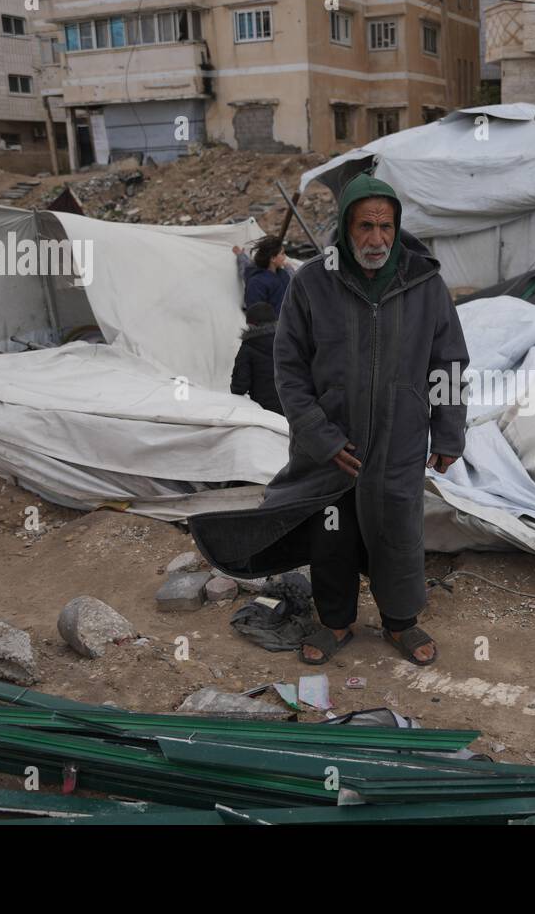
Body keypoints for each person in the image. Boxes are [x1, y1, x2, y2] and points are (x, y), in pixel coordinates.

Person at [188, 172, 470, 668]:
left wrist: (448, 430)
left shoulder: (424, 282)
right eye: (365, 226)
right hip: (331, 448)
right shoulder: (314, 282)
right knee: (332, 535)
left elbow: (447, 362)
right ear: (345, 226)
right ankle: (336, 620)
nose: (376, 239)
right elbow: (289, 369)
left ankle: (401, 622)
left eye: (386, 227)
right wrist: (319, 435)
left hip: (400, 440)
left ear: (397, 226)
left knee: (399, 533)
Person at [230, 302, 282, 415]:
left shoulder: (248, 347)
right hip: (293, 404)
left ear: (250, 324)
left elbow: (239, 387)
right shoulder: (288, 342)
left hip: (264, 410)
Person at [233, 237, 292, 312]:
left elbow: (293, 282)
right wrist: (240, 255)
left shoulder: (283, 273)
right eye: (282, 254)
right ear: (273, 259)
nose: (285, 257)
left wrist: (289, 268)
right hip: (275, 322)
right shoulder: (256, 283)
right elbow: (257, 313)